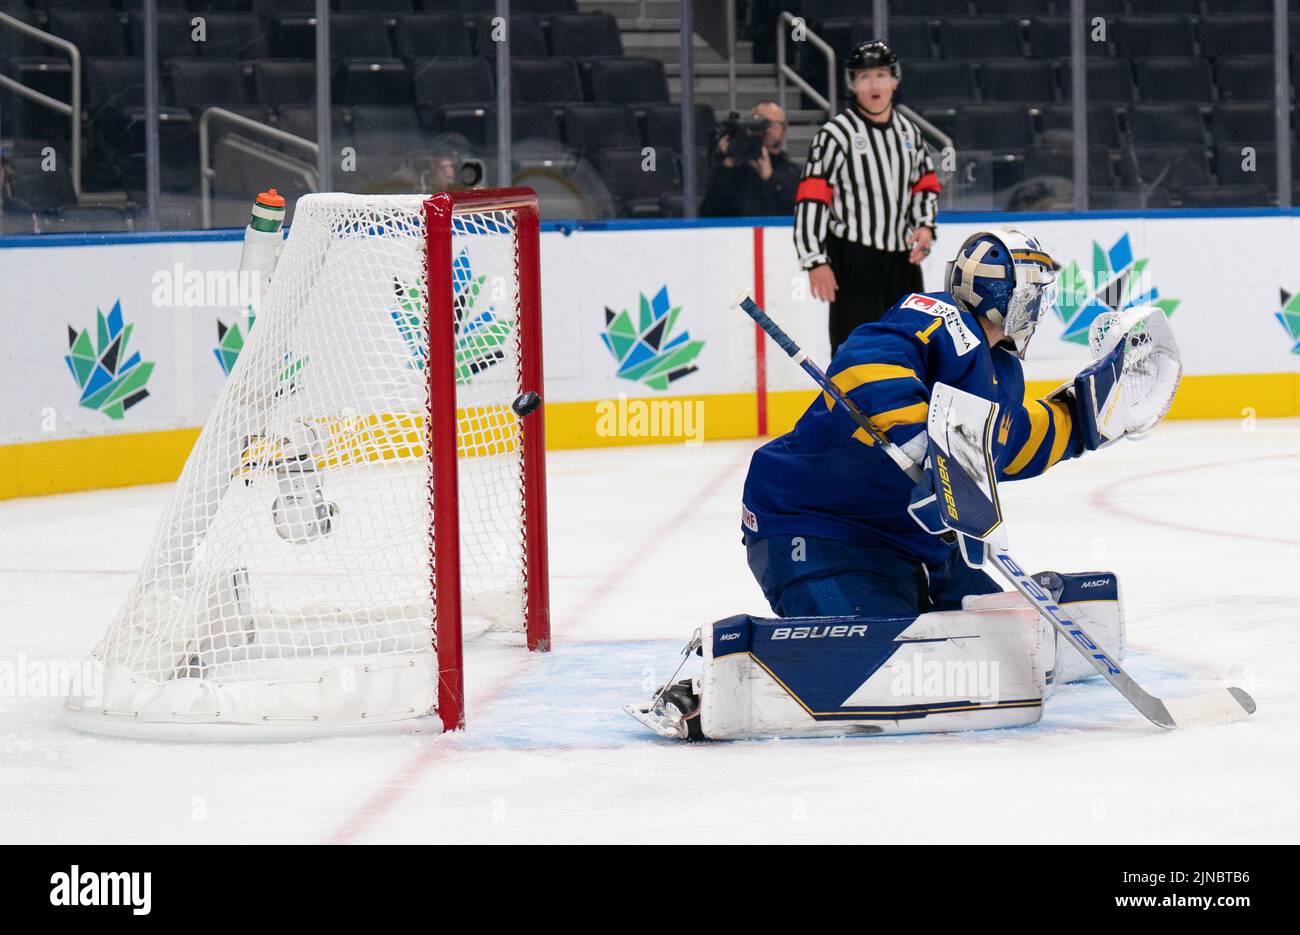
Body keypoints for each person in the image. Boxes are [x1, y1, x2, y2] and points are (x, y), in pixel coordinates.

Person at [741, 227, 1084, 619]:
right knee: (880, 656)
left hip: (913, 541)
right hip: (819, 526)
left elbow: (1007, 445)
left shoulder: (1001, 370)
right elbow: (867, 367)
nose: (1039, 303)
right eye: (1034, 290)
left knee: (1001, 637)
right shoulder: (934, 316)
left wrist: (1082, 417)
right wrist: (925, 448)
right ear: (1005, 293)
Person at [794, 40, 941, 354]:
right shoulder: (835, 135)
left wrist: (925, 227)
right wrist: (815, 259)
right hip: (854, 260)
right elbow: (812, 199)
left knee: (915, 344)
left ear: (895, 80)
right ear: (852, 84)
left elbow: (925, 186)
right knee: (856, 349)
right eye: (864, 77)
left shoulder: (909, 133)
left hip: (903, 263)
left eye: (881, 75)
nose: (874, 84)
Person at [700, 100, 800, 217]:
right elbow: (708, 212)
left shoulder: (793, 173)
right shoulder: (733, 170)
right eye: (759, 124)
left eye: (772, 125)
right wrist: (726, 166)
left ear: (784, 128)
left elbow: (796, 214)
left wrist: (769, 178)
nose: (766, 130)